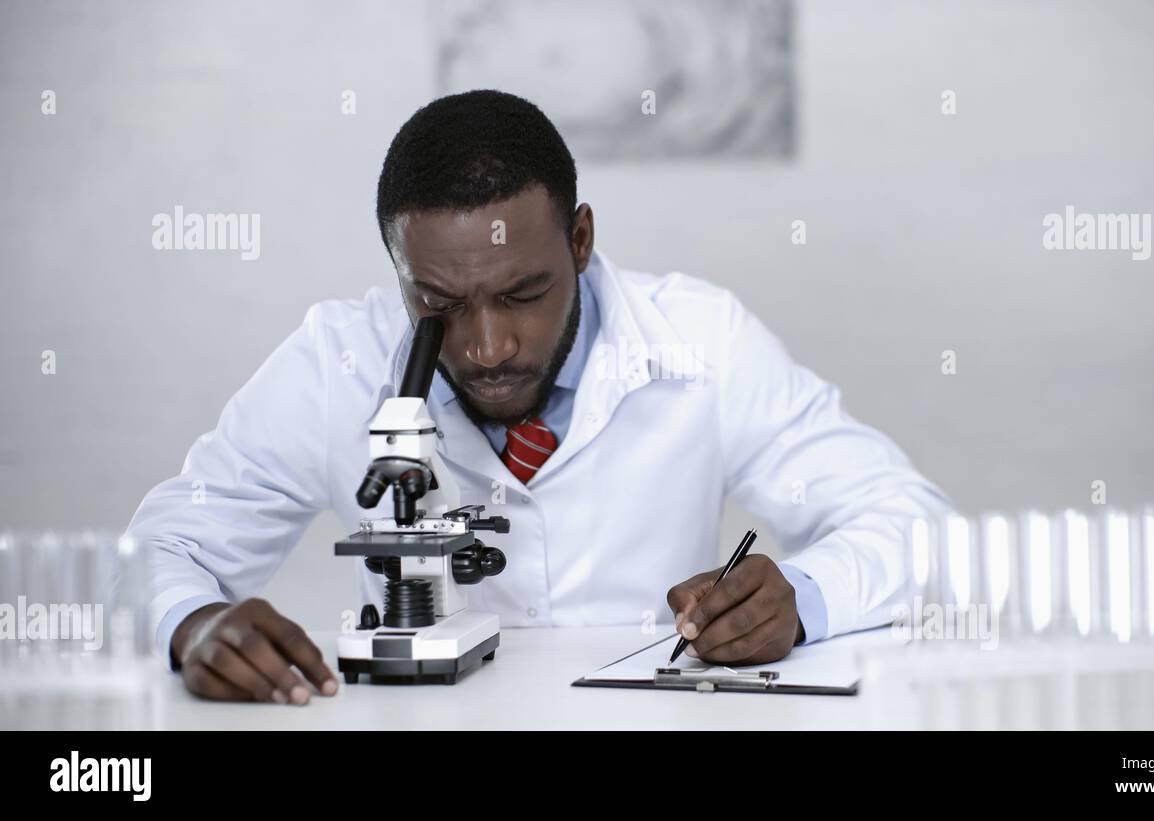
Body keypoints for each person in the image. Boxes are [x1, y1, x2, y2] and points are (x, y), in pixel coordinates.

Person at [126, 89, 952, 703]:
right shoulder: (333, 360)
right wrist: (192, 622)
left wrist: (802, 600)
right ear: (397, 271)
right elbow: (164, 544)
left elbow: (919, 527)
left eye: (523, 293)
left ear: (582, 238)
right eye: (439, 304)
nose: (487, 347)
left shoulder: (702, 339)